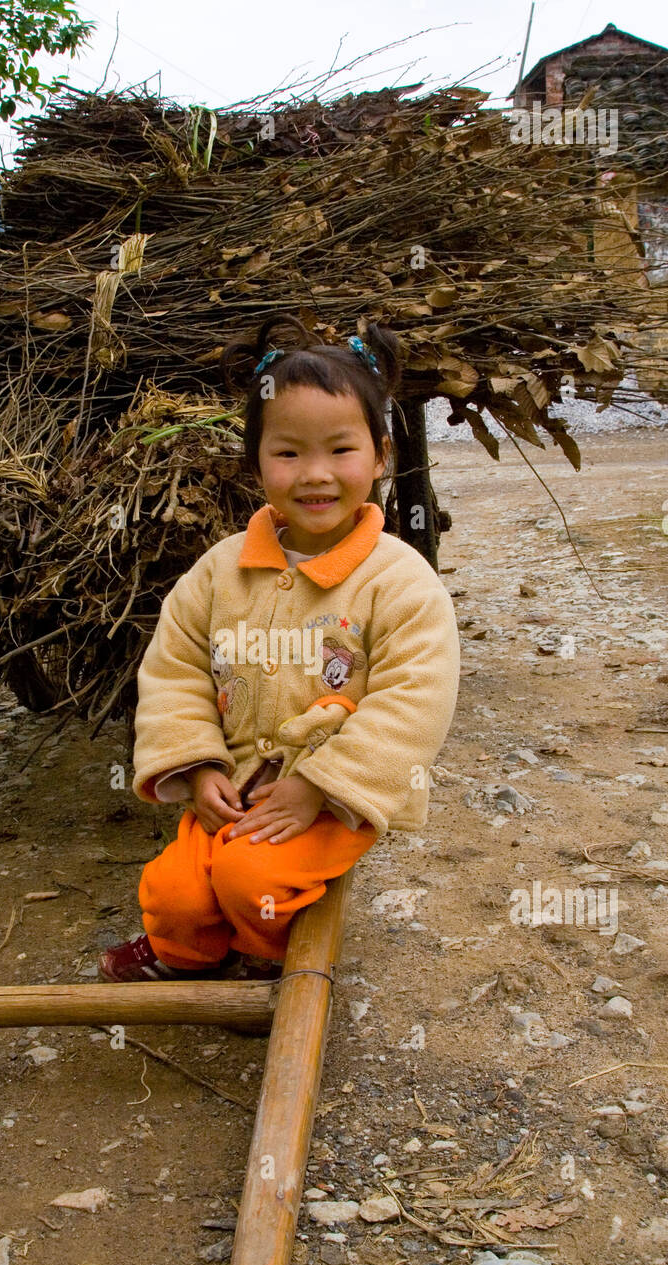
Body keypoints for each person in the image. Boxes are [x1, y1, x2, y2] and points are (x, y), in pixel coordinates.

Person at [98, 313, 460, 983]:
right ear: (256, 461)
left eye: (341, 451)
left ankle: (262, 959)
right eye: (289, 453)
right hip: (233, 789)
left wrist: (317, 786)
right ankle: (184, 956)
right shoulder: (219, 571)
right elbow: (173, 673)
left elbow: (415, 700)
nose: (315, 475)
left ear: (381, 456)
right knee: (170, 893)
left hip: (331, 799)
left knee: (247, 879)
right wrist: (199, 766)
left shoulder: (400, 579)